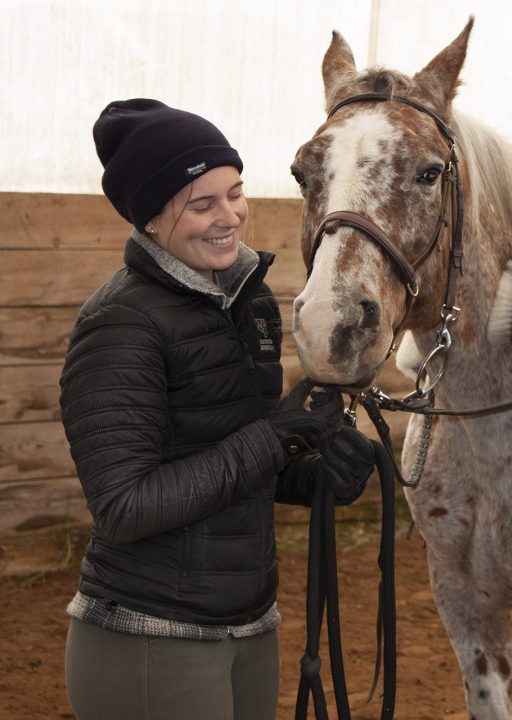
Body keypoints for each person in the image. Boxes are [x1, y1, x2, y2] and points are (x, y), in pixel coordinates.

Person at [59, 98, 374, 720]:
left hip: (247, 623)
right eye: (202, 205)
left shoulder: (247, 306)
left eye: (235, 193)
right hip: (149, 636)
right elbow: (125, 505)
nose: (229, 217)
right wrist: (276, 437)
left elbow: (221, 461)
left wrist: (319, 470)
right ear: (149, 219)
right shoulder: (119, 324)